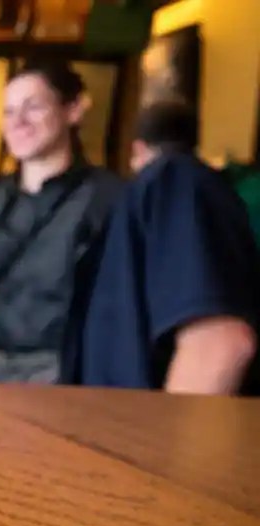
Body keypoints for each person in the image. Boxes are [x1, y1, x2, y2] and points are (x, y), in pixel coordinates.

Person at [0, 60, 124, 384]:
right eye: (8, 111)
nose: (17, 122)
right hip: (0, 367)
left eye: (33, 107)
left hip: (73, 369)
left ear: (72, 110)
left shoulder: (107, 196)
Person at [73, 101, 260, 394]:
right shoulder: (197, 190)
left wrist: (162, 442)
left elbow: (217, 345)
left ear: (136, 150)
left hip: (146, 430)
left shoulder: (174, 183)